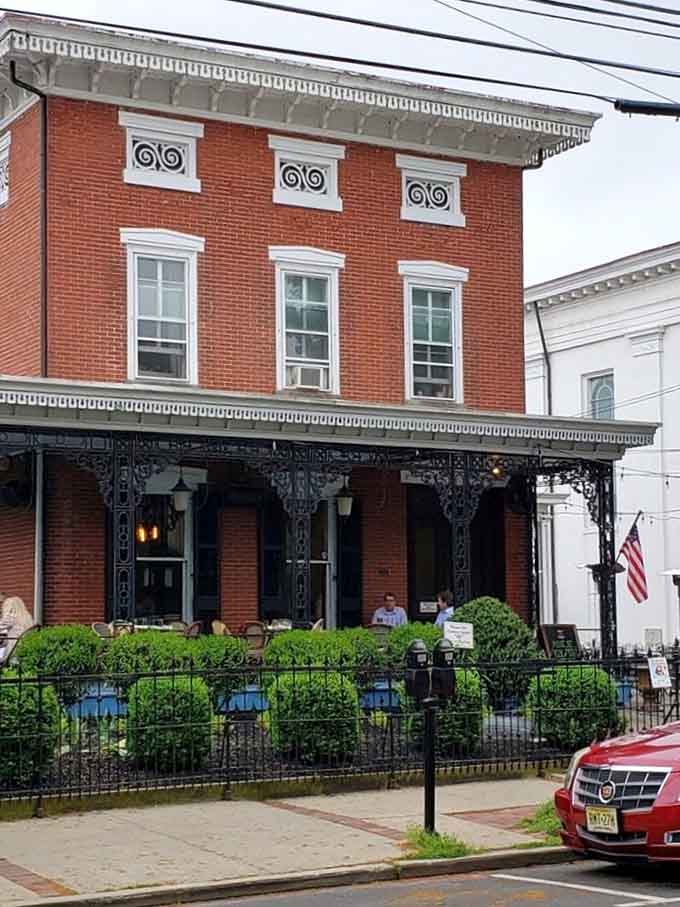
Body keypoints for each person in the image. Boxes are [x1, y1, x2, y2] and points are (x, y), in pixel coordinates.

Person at [0, 596, 34, 662]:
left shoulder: (11, 617)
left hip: (13, 654)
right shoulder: (28, 617)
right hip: (26, 651)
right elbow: (17, 635)